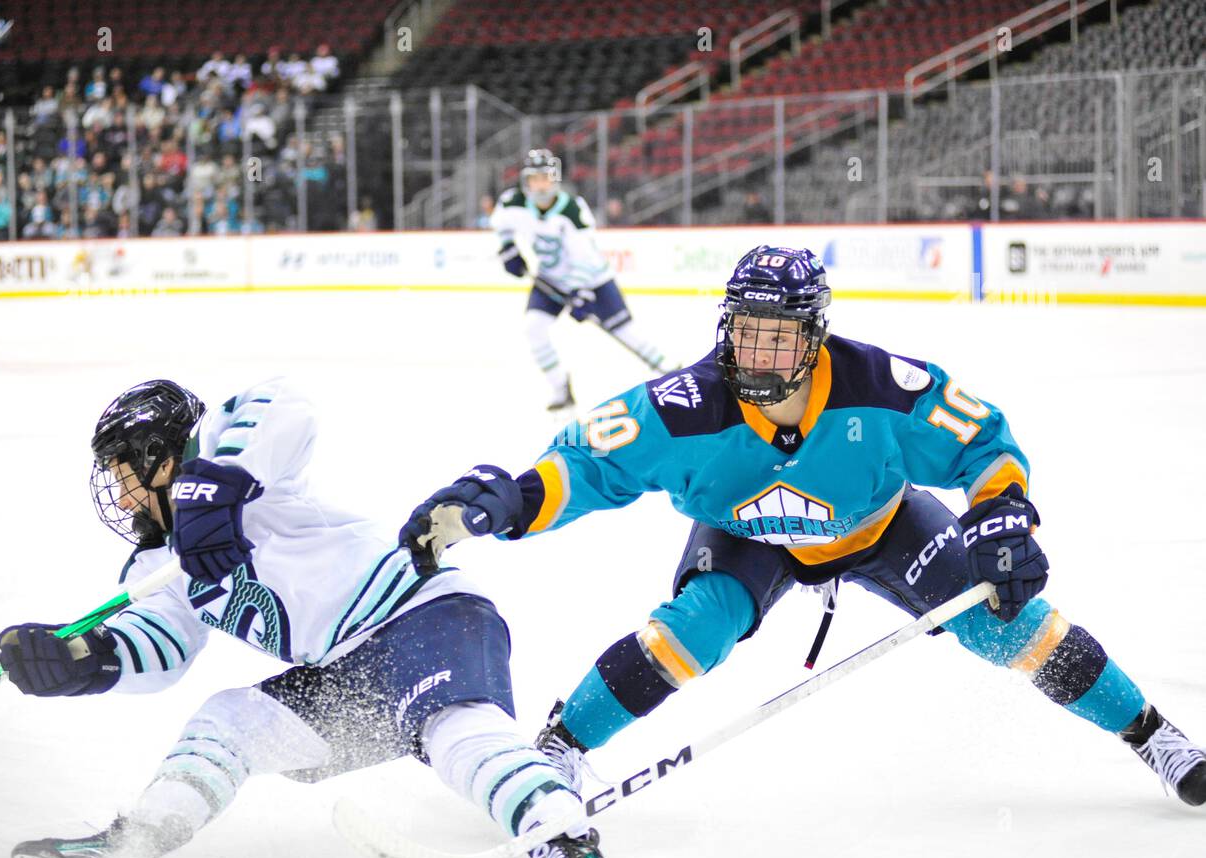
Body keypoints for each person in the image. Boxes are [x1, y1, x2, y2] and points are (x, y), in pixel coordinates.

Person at [401, 245, 1206, 815]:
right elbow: (586, 465)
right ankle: (560, 749)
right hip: (751, 537)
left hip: (882, 527)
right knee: (694, 630)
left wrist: (999, 512)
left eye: (777, 333)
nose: (755, 350)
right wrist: (506, 499)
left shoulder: (881, 387)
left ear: (814, 333)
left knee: (1012, 629)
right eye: (743, 329)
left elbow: (982, 441)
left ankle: (1156, 739)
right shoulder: (687, 406)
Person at [0, 379, 603, 858]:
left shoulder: (231, 459)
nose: (123, 498)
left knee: (451, 726)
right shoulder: (160, 561)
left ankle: (558, 834)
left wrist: (214, 485)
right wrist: (83, 659)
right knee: (227, 721)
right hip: (346, 676)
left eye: (122, 473)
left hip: (425, 614)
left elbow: (283, 407)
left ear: (157, 455)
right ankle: (137, 842)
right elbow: (162, 646)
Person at [490, 148, 671, 412]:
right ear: (526, 181)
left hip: (593, 280)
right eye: (534, 179)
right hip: (550, 279)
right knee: (533, 328)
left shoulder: (573, 211)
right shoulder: (512, 203)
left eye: (545, 178)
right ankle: (560, 387)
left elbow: (584, 257)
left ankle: (669, 373)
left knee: (626, 333)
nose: (540, 185)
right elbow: (501, 225)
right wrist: (508, 248)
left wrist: (580, 292)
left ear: (555, 179)